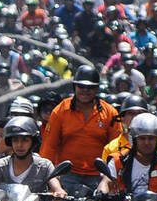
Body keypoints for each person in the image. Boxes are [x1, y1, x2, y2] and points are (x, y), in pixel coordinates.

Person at [41, 65, 124, 193]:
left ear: (97, 89)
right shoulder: (60, 110)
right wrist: (49, 178)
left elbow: (117, 149)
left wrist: (109, 178)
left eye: (90, 87)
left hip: (100, 176)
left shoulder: (110, 113)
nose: (85, 91)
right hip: (67, 175)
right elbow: (49, 147)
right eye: (81, 87)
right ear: (75, 87)